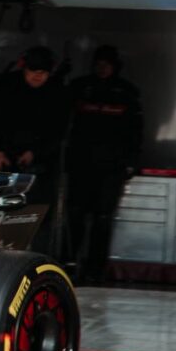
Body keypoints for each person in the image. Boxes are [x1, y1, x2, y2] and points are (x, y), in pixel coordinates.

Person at [65, 45, 143, 284]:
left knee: (103, 218)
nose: (102, 68)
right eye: (98, 63)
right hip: (81, 165)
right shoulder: (79, 88)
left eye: (107, 64)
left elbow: (136, 131)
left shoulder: (127, 92)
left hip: (112, 168)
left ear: (115, 66)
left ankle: (95, 268)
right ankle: (69, 262)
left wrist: (132, 162)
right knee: (75, 216)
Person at [0, 46, 71, 254]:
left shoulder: (56, 90)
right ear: (25, 70)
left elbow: (59, 131)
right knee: (3, 212)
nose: (37, 76)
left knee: (39, 214)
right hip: (7, 161)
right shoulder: (8, 85)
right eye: (33, 71)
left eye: (42, 73)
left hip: (42, 166)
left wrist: (35, 153)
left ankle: (36, 258)